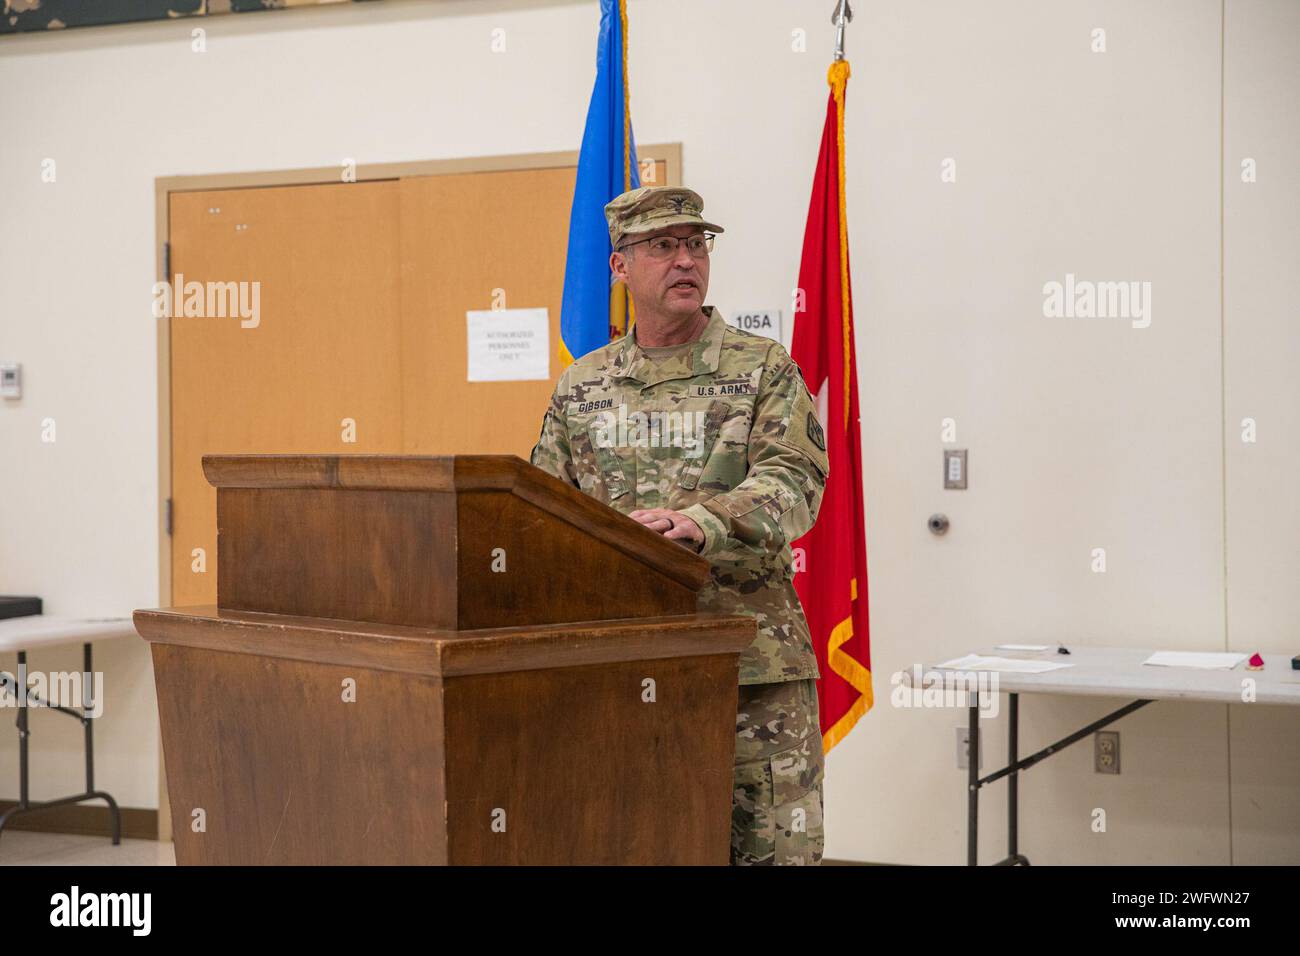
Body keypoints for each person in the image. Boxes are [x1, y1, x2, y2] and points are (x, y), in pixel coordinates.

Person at [530, 185, 829, 864]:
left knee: (771, 853)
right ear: (620, 266)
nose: (685, 259)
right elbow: (543, 513)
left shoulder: (762, 370)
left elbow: (794, 485)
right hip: (623, 668)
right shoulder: (583, 386)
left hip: (751, 672)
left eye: (696, 243)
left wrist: (700, 523)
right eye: (663, 245)